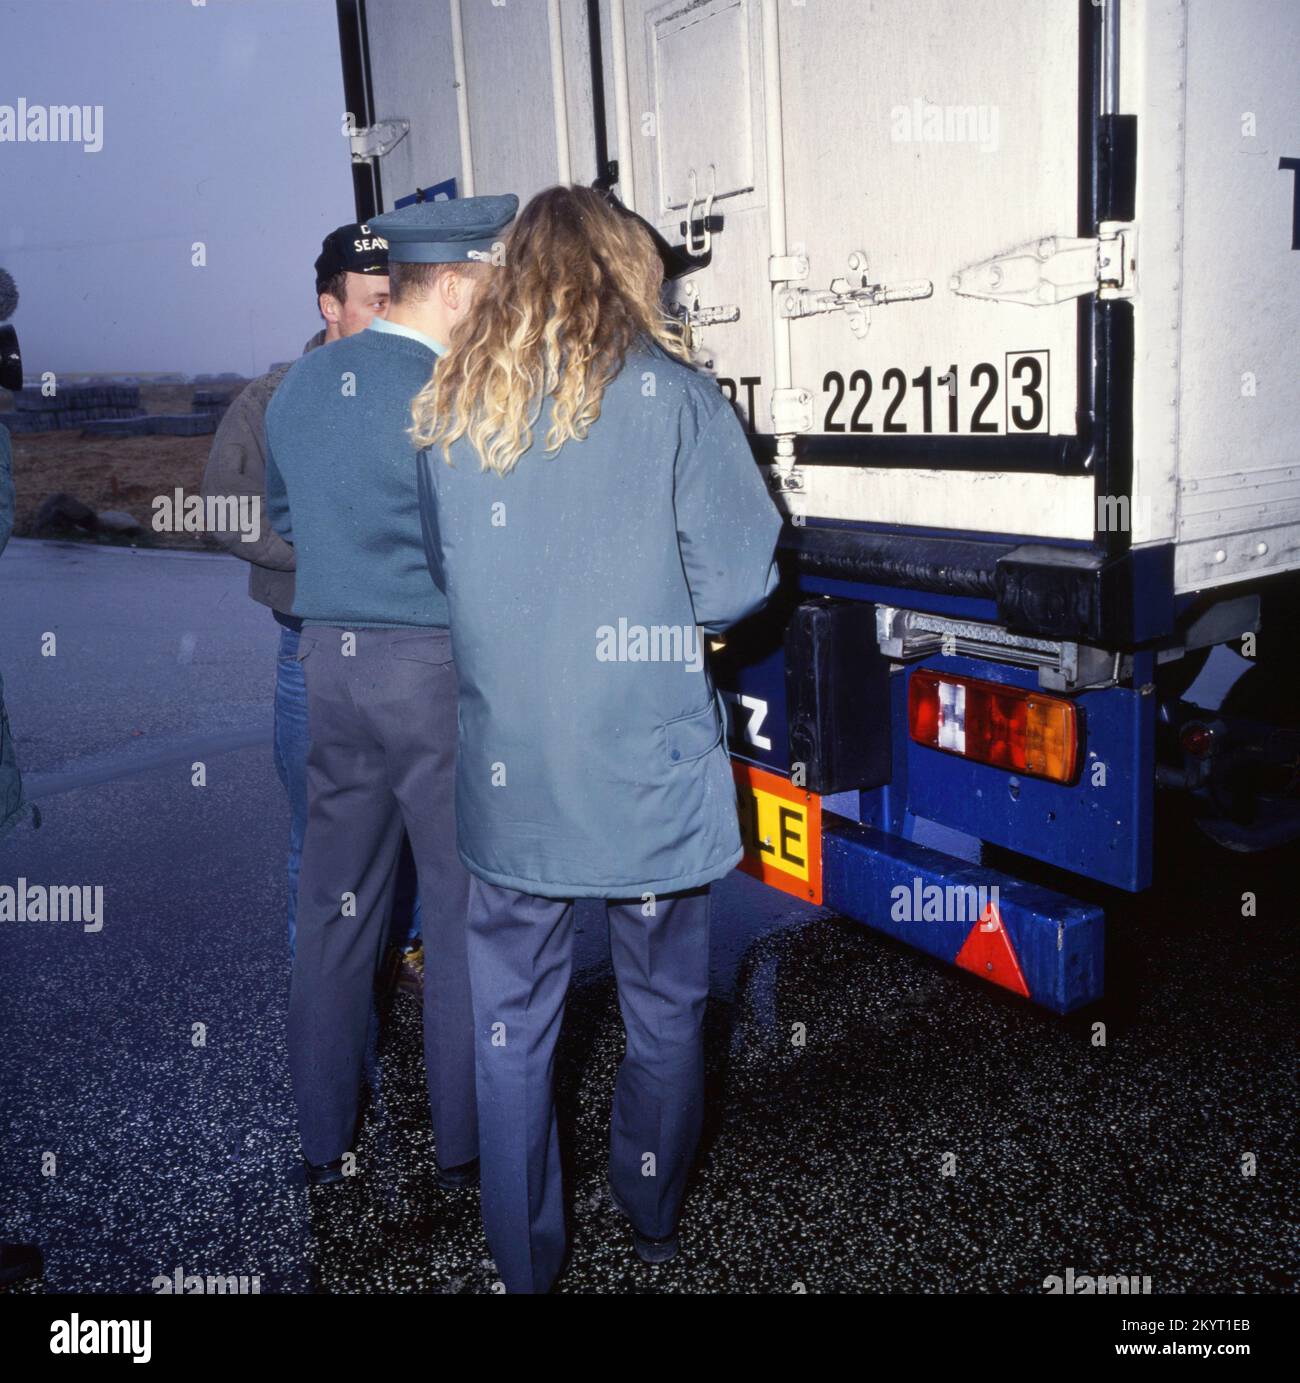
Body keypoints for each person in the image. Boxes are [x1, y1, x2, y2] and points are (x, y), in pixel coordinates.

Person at [411, 185, 783, 1291]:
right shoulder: (673, 398)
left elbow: (449, 574)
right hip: (642, 767)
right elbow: (737, 579)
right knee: (665, 1006)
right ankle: (652, 1205)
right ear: (626, 271)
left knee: (511, 1025)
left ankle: (525, 1260)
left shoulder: (451, 406)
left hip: (511, 770)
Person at [265, 194, 519, 1189]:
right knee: (458, 910)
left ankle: (324, 1135)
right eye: (487, 285)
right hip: (431, 669)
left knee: (334, 907)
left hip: (330, 662)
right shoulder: (451, 393)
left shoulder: (299, 385)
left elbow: (286, 517)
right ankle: (462, 1143)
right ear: (451, 284)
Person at [201, 223, 426, 985]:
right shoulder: (272, 400)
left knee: (429, 832)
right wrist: (330, 559)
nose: (389, 318)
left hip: (422, 652)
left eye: (397, 301)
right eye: (373, 302)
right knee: (324, 842)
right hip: (313, 651)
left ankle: (414, 963)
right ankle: (330, 1012)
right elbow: (227, 510)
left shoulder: (422, 388)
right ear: (328, 303)